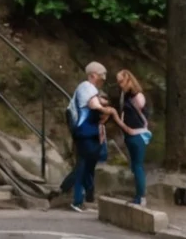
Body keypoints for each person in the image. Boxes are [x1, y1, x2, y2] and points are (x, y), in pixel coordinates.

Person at [61, 61, 108, 213]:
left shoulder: (90, 88)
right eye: (101, 76)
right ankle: (76, 198)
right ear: (93, 75)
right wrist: (106, 109)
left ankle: (86, 195)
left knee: (88, 164)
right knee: (83, 165)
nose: (103, 79)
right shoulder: (86, 86)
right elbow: (94, 104)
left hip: (89, 133)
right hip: (85, 133)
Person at [115, 69, 153, 206]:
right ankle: (138, 195)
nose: (120, 85)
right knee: (135, 166)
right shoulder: (125, 96)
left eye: (121, 81)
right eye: (118, 82)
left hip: (137, 133)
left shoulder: (137, 96)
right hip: (130, 133)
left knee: (138, 166)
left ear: (128, 80)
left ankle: (141, 196)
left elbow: (142, 110)